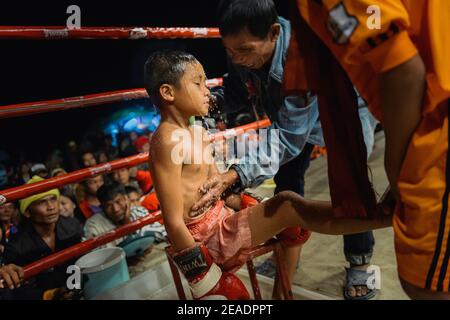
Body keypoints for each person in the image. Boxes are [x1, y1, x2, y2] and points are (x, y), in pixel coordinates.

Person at [144, 50, 391, 300]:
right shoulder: (165, 141)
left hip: (221, 222)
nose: (207, 90)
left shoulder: (196, 131)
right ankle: (381, 215)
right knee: (288, 206)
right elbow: (174, 221)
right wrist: (203, 277)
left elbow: (215, 189)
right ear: (168, 92)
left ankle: (279, 297)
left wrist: (244, 202)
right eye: (197, 83)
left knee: (292, 222)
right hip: (204, 240)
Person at [197, 0, 379, 299]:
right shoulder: (242, 47)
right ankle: (287, 252)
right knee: (287, 183)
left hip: (345, 107)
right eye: (230, 51)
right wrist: (210, 102)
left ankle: (361, 263)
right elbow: (238, 87)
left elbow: (288, 140)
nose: (236, 58)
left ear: (273, 33)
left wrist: (235, 174)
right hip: (294, 117)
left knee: (350, 186)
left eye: (243, 51)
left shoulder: (303, 59)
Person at [282, 0, 450, 300]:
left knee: (426, 283)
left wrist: (398, 172)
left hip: (437, 117)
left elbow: (403, 69)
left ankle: (359, 261)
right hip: (426, 106)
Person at [0, 176, 82, 300]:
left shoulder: (72, 226)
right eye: (42, 202)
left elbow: (78, 263)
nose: (51, 207)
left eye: (53, 199)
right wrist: (51, 295)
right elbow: (17, 290)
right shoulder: (16, 246)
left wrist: (73, 287)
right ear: (27, 212)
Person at [83, 182, 166, 248]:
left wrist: (128, 222)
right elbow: (99, 259)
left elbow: (163, 233)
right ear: (102, 207)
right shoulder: (93, 225)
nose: (116, 209)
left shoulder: (139, 211)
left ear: (126, 198)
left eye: (118, 201)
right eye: (108, 205)